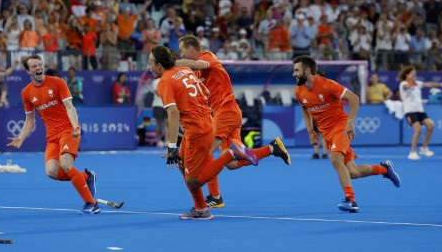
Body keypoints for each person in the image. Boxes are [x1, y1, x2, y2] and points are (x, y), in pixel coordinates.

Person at [176, 34, 290, 208]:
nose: (181, 55)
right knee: (231, 164)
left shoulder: (207, 57)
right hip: (228, 113)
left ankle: (214, 196)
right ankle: (273, 148)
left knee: (206, 152)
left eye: (182, 51)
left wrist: (174, 63)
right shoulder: (197, 72)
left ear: (191, 49)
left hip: (226, 112)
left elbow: (196, 64)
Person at [148, 46, 258, 220]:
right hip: (207, 122)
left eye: (151, 63)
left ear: (160, 66)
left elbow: (173, 113)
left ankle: (231, 154)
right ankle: (201, 209)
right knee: (181, 163)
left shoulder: (164, 82)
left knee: (193, 180)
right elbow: (206, 92)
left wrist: (171, 147)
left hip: (196, 130)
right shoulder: (184, 70)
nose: (149, 67)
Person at [293, 55, 400, 213]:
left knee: (335, 158)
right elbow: (304, 107)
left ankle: (351, 200)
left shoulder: (327, 84)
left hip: (341, 126)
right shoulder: (299, 91)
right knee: (353, 172)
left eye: (296, 70)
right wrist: (311, 130)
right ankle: (384, 169)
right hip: (327, 133)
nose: (293, 74)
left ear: (307, 71)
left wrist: (350, 121)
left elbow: (354, 98)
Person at [8, 55, 100, 214]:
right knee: (52, 172)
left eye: (40, 65)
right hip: (52, 136)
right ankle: (86, 177)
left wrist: (75, 127)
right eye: (34, 66)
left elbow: (70, 107)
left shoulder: (58, 82)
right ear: (28, 71)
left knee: (65, 164)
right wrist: (21, 137)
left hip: (68, 130)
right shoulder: (26, 93)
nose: (38, 68)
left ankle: (91, 203)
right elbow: (30, 120)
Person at [398, 66, 442, 160]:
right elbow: (407, 87)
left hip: (420, 111)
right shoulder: (403, 84)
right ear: (407, 75)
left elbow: (429, 84)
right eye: (412, 74)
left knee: (430, 125)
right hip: (409, 111)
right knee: (418, 129)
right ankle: (412, 152)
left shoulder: (418, 83)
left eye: (415, 74)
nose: (414, 75)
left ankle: (424, 148)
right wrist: (411, 82)